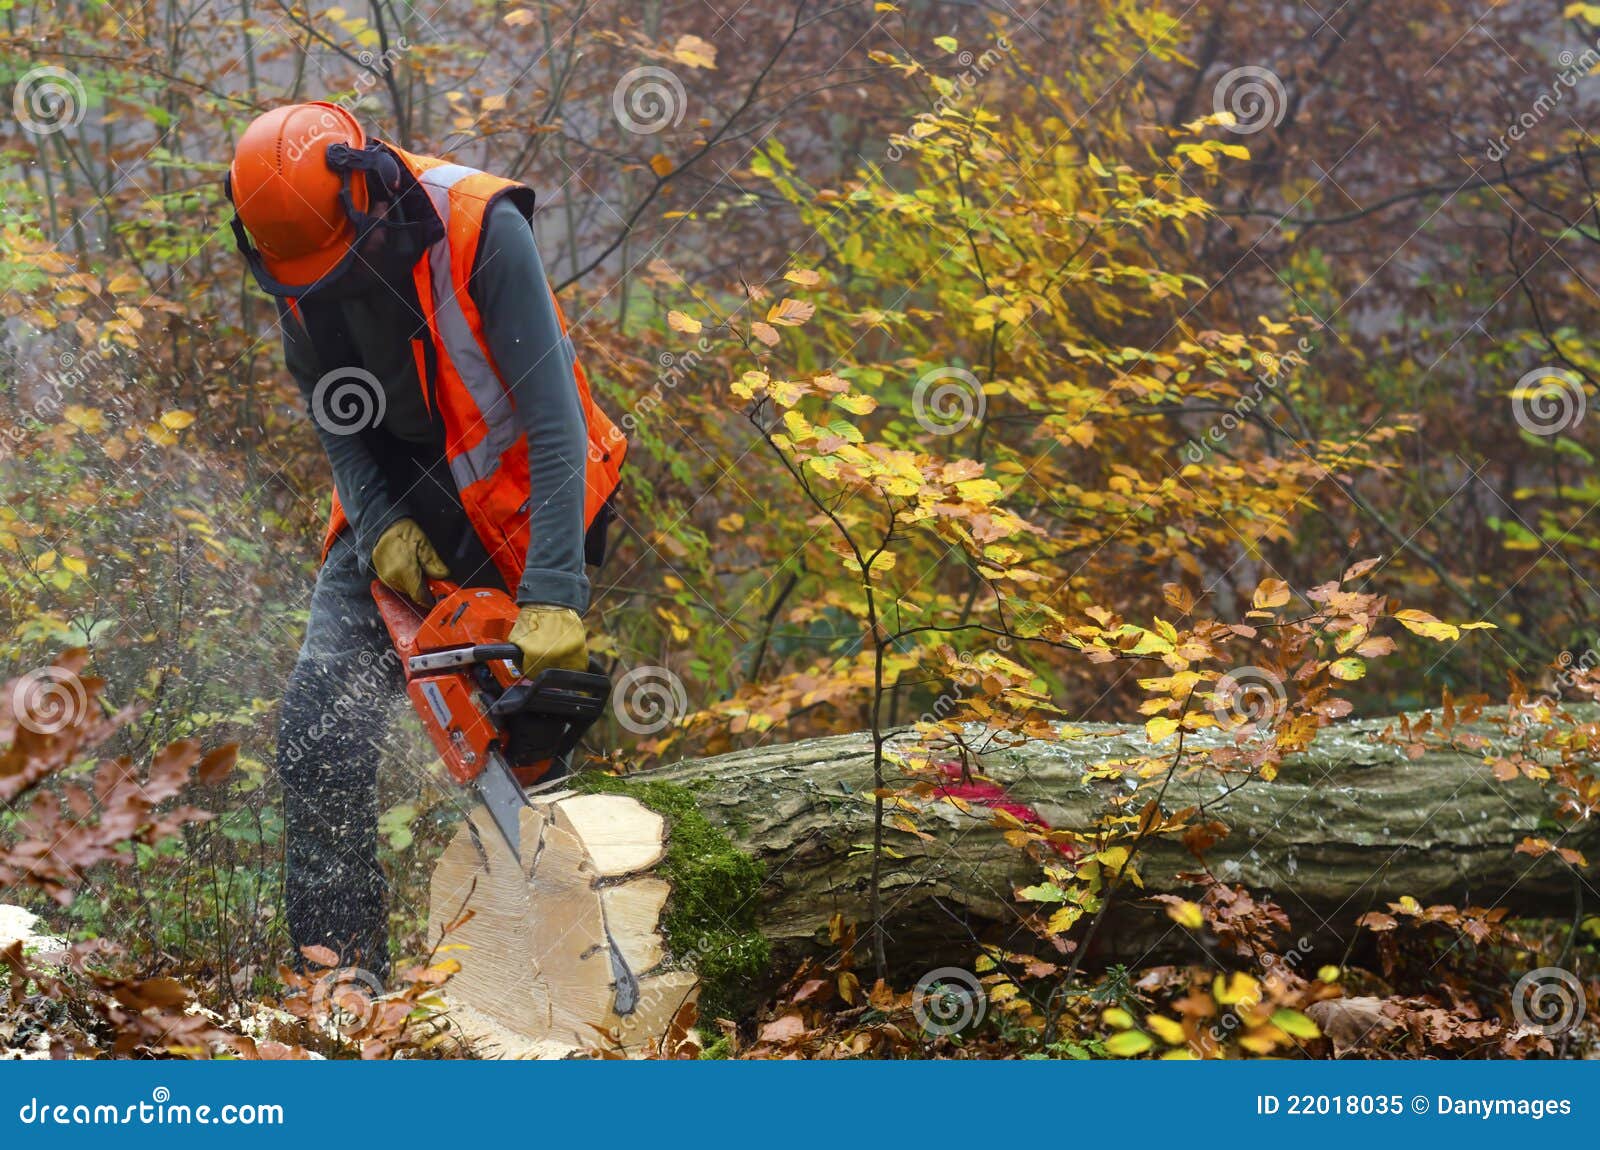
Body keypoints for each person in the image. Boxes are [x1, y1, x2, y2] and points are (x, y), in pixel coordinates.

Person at [224, 102, 625, 979]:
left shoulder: (481, 226)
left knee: (527, 747)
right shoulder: (296, 267)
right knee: (315, 730)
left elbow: (554, 419)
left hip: (527, 507)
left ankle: (569, 969)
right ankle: (341, 974)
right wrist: (381, 526)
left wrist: (556, 593)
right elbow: (335, 417)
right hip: (396, 504)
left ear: (363, 191)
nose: (318, 288)